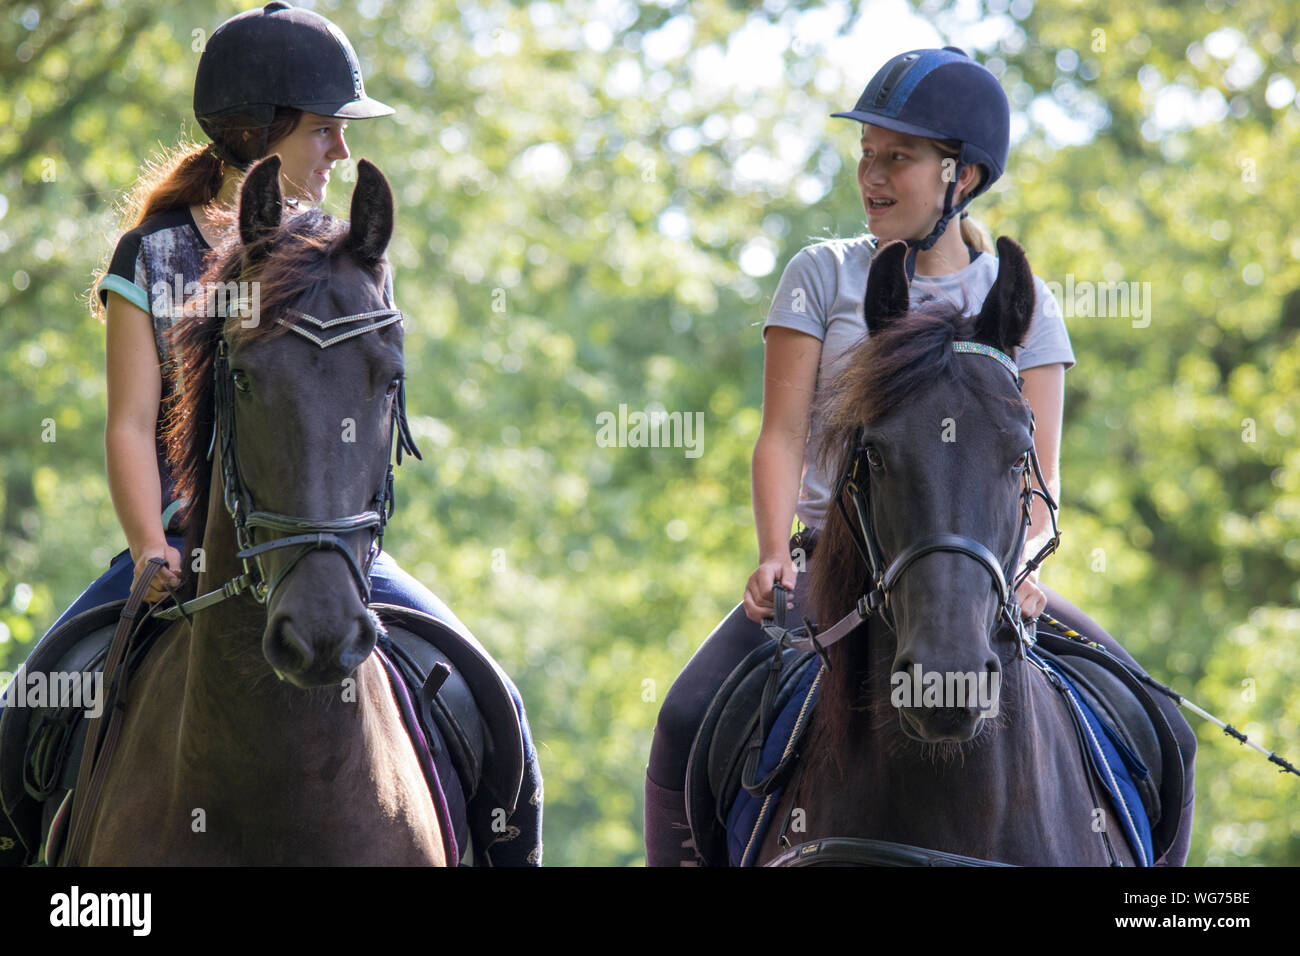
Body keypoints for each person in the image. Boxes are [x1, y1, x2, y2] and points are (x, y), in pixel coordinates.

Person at [6, 1, 541, 865]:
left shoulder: (348, 251)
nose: (340, 152)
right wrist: (148, 546)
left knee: (496, 707)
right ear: (264, 131)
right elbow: (129, 423)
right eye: (326, 130)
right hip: (182, 543)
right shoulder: (152, 254)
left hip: (327, 545)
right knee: (27, 704)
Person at [645, 47, 1195, 866]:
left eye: (896, 157)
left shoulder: (1023, 304)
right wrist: (771, 554)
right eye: (866, 155)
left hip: (986, 578)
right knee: (687, 714)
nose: (871, 175)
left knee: (1166, 731)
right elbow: (783, 435)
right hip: (837, 568)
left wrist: (1023, 566)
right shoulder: (822, 275)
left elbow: (1037, 477)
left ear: (961, 175)